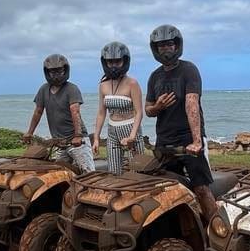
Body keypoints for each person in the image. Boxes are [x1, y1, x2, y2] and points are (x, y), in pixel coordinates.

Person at [144, 24, 218, 220]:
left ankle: (218, 230)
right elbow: (148, 109)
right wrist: (158, 106)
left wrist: (196, 141)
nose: (166, 49)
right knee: (166, 186)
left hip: (188, 136)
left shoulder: (188, 70)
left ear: (177, 46)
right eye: (161, 46)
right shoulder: (155, 76)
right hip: (164, 138)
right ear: (156, 49)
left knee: (201, 187)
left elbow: (191, 103)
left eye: (169, 44)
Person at [24, 54, 95, 172]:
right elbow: (38, 112)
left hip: (77, 142)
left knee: (88, 172)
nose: (56, 75)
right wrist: (29, 133)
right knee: (59, 173)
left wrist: (78, 135)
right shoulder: (43, 90)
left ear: (65, 70)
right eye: (53, 72)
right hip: (59, 143)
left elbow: (75, 111)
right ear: (47, 72)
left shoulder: (71, 89)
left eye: (59, 71)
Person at [91, 41, 145, 174]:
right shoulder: (103, 85)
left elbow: (139, 112)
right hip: (112, 130)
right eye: (110, 62)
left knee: (137, 170)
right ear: (105, 63)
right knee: (114, 171)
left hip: (131, 128)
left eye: (117, 62)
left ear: (124, 61)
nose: (114, 65)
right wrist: (96, 138)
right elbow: (101, 113)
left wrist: (132, 136)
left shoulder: (132, 83)